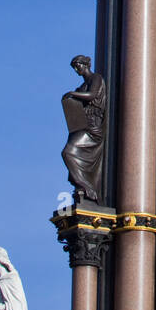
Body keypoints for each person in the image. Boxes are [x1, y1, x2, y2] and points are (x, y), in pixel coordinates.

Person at [61, 55, 106, 204]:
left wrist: (73, 94)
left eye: (77, 65)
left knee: (68, 152)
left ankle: (87, 187)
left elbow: (92, 95)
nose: (76, 69)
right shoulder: (81, 86)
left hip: (93, 128)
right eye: (74, 67)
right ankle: (84, 186)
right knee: (68, 153)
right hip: (82, 125)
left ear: (85, 64)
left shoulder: (96, 79)